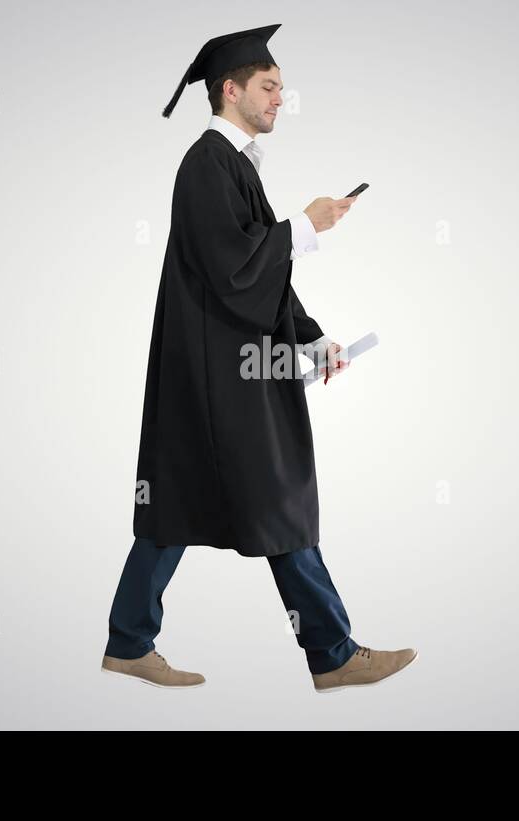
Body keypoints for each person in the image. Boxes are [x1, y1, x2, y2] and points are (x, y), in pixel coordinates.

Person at [100, 24, 416, 693]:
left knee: (179, 508)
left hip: (223, 375)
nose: (280, 99)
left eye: (281, 88)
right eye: (269, 87)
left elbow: (260, 273)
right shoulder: (207, 163)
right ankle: (331, 652)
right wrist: (303, 225)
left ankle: (129, 640)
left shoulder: (235, 166)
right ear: (230, 89)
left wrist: (310, 337)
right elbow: (234, 268)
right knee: (275, 501)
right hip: (221, 381)